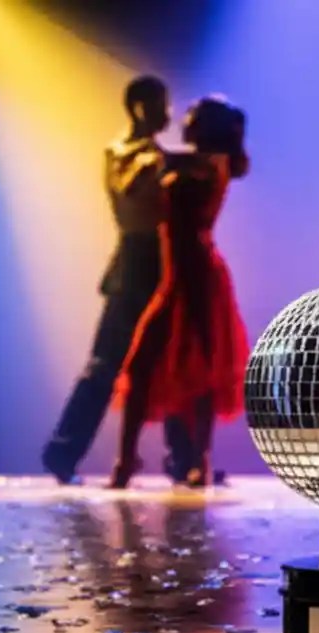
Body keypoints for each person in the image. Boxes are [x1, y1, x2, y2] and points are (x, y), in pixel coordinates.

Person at [41, 75, 195, 486]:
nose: (168, 113)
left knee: (169, 361)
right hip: (135, 264)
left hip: (159, 259)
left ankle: (184, 459)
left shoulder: (154, 153)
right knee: (106, 363)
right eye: (161, 104)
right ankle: (62, 451)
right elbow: (129, 189)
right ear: (140, 106)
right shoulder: (122, 153)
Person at [111, 97, 251, 489]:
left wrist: (146, 145)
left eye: (190, 119)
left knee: (203, 371)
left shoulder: (212, 163)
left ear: (205, 127)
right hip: (175, 279)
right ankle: (127, 459)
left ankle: (200, 460)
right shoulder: (192, 161)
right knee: (141, 365)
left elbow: (172, 162)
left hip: (201, 277)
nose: (184, 124)